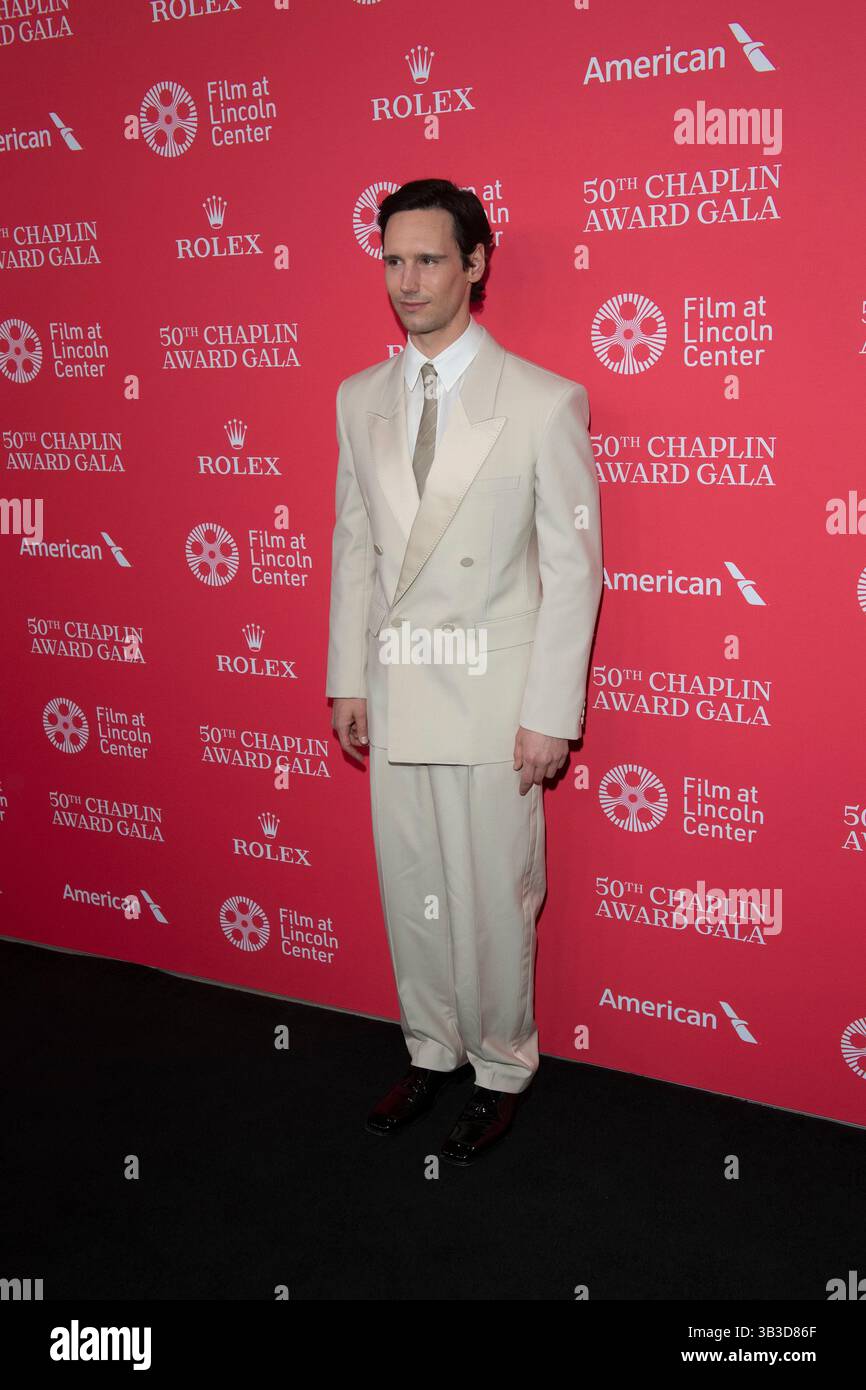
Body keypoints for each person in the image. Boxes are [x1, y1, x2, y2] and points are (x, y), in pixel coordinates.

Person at [325, 178, 603, 1166]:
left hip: (493, 697)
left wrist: (550, 712)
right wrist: (344, 677)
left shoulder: (537, 400)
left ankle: (500, 1066)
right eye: (392, 260)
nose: (407, 280)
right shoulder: (359, 398)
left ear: (475, 263)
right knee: (413, 885)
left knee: (492, 892)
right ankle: (430, 1046)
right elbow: (355, 543)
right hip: (398, 687)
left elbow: (572, 568)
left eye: (429, 259)